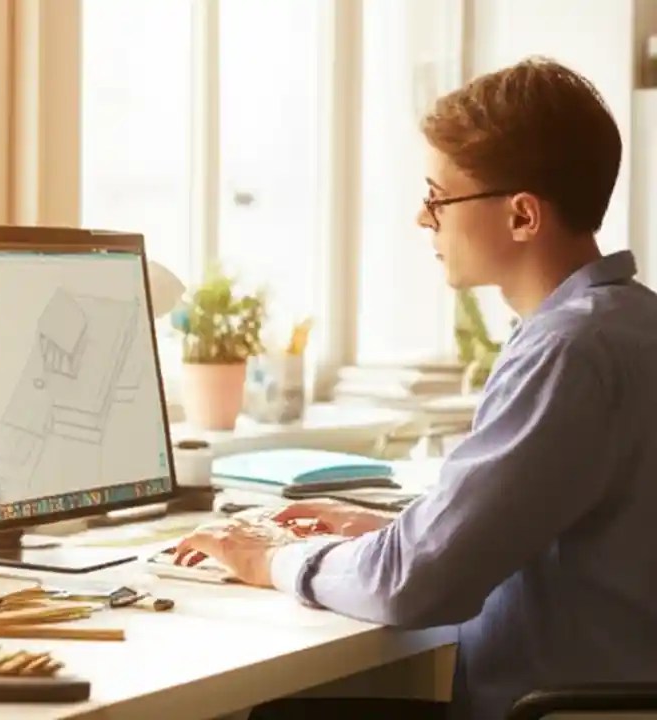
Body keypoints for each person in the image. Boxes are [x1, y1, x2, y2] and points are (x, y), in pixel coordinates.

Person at [178, 56, 657, 720]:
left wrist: (277, 560)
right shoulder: (629, 320)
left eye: (438, 198)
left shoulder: (566, 351)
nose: (421, 219)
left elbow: (413, 584)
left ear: (522, 216)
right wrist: (390, 531)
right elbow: (541, 531)